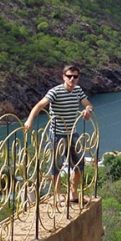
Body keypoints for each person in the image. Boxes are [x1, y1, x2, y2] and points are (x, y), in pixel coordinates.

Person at [24, 64, 94, 202]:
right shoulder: (55, 92)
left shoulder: (78, 90)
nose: (72, 79)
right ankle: (57, 195)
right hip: (57, 134)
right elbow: (39, 106)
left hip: (72, 133)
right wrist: (29, 121)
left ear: (78, 78)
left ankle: (73, 193)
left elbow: (88, 104)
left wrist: (88, 111)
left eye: (75, 76)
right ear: (63, 77)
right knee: (57, 165)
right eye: (69, 76)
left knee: (79, 164)